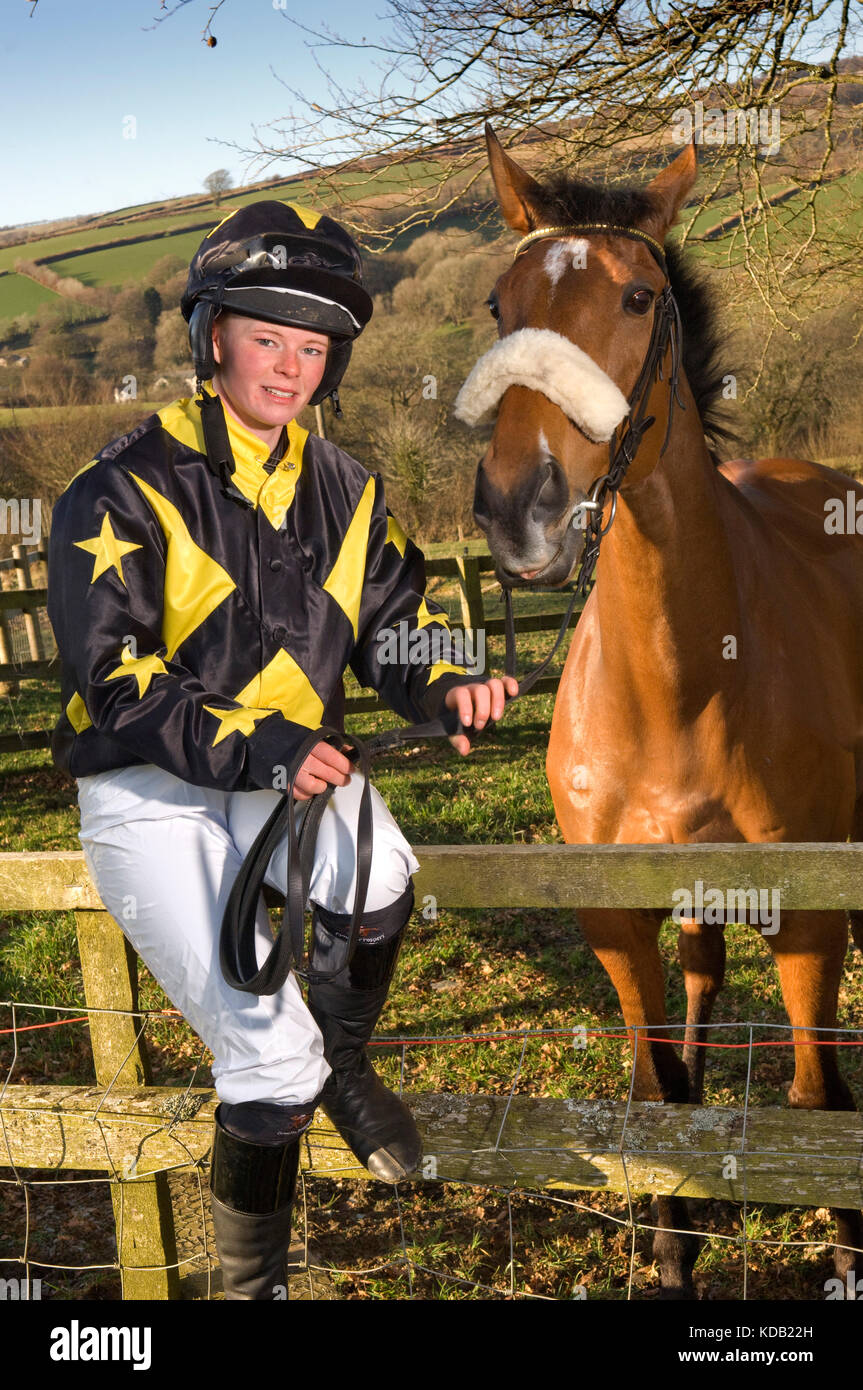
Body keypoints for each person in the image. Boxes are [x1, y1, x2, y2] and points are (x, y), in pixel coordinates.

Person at [47, 200, 518, 1300]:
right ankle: (250, 1284)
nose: (291, 367)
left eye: (312, 348)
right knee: (266, 1055)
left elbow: (395, 624)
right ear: (213, 334)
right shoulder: (115, 490)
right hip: (146, 791)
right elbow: (113, 683)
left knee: (383, 872)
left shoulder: (349, 492)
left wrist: (448, 683)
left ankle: (342, 1064)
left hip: (279, 775)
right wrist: (266, 746)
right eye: (269, 337)